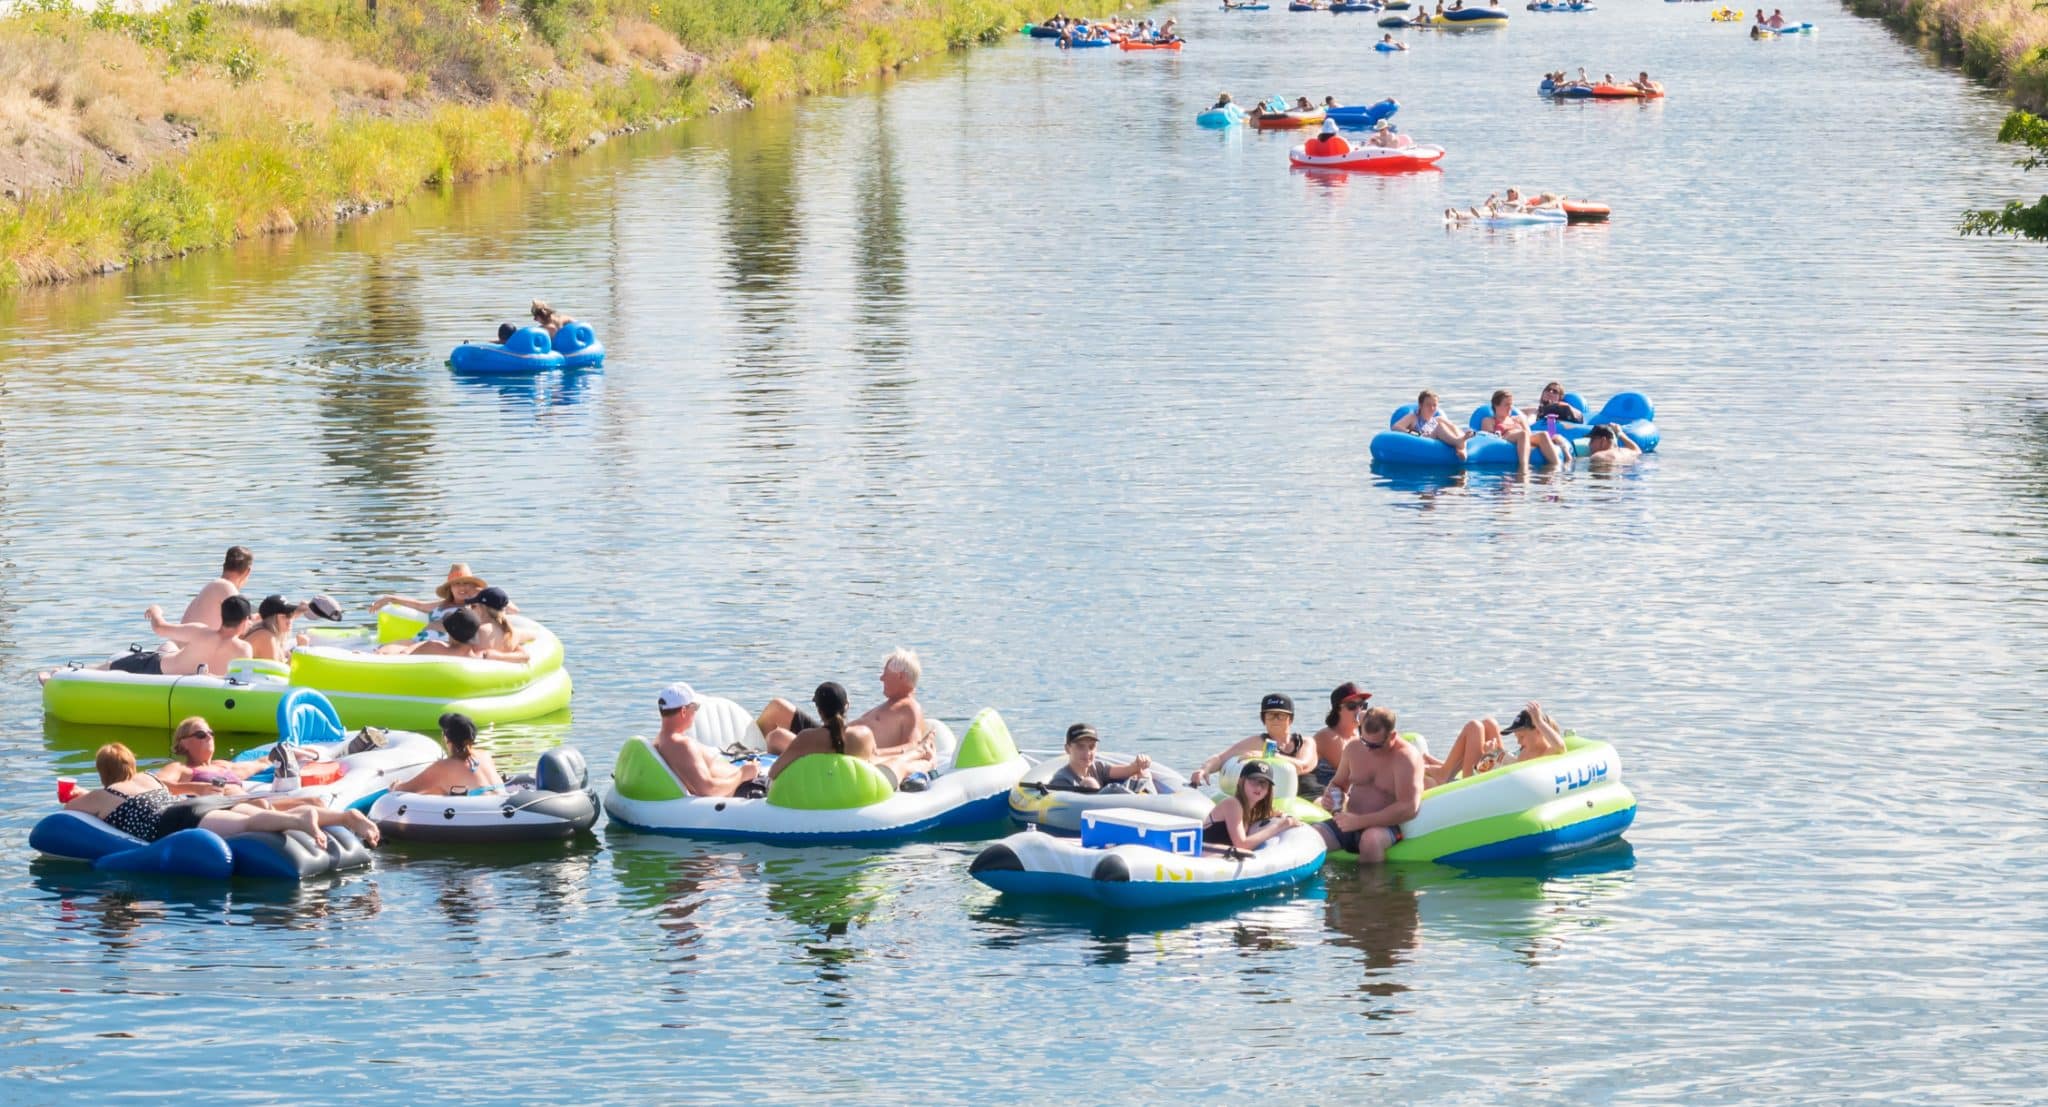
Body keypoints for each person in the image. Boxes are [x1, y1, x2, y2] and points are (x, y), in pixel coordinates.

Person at [65, 742, 377, 848]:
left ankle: (298, 821)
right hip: (191, 804)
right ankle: (345, 817)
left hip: (176, 819)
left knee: (246, 826)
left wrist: (80, 793)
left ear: (102, 772)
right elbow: (179, 790)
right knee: (251, 814)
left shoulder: (104, 794)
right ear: (131, 765)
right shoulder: (147, 778)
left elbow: (69, 809)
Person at [1318, 706, 1424, 863]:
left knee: (1371, 841)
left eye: (1375, 745)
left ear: (1392, 736)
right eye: (1364, 741)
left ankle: (1372, 887)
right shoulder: (1353, 748)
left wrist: (1360, 821)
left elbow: (1409, 807)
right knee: (1312, 836)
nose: (1368, 749)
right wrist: (1331, 798)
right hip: (1349, 822)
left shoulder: (1406, 758)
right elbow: (1338, 784)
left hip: (1385, 827)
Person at [650, 683, 762, 798]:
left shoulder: (659, 742)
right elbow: (708, 789)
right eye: (695, 708)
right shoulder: (683, 745)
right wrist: (743, 774)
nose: (695, 712)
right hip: (747, 789)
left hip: (741, 787)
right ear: (683, 711)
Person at [1187, 693, 1319, 790]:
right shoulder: (1258, 742)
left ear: (1290, 719)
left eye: (1281, 716)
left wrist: (1266, 755)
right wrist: (1204, 769)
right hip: (1275, 797)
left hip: (1310, 794)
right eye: (1270, 715)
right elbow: (1221, 758)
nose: (1275, 720)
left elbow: (1303, 766)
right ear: (1263, 719)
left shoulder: (1305, 742)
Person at [101, 596, 256, 677]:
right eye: (249, 620)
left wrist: (156, 611)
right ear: (244, 621)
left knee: (169, 646)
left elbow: (159, 627)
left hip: (160, 666)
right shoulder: (244, 649)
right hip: (154, 666)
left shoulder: (200, 632)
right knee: (104, 668)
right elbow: (239, 680)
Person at [1429, 701, 1567, 785]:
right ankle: (1446, 769)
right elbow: (1501, 767)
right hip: (1487, 773)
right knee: (1490, 723)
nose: (1518, 741)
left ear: (1539, 731)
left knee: (1474, 727)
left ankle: (1444, 773)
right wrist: (1491, 754)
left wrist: (1539, 722)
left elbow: (1560, 747)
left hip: (1472, 783)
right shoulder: (1525, 751)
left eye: (1522, 736)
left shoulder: (1546, 753)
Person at [767, 682, 878, 782]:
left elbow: (773, 772)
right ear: (847, 706)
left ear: (819, 711)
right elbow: (873, 768)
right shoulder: (865, 734)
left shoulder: (806, 738)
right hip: (855, 796)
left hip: (814, 798)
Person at [1202, 761, 1302, 851]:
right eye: (1253, 781)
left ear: (1269, 790)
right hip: (1203, 859)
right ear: (1241, 781)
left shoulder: (1255, 811)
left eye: (1264, 783)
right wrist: (1279, 826)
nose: (1258, 787)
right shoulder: (1232, 804)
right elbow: (1241, 845)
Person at [386, 608, 529, 663]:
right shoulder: (482, 656)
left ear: (450, 634)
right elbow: (524, 656)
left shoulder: (433, 647)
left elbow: (401, 658)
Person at [1048, 724, 1154, 792]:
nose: (1087, 753)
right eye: (1080, 747)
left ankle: (1155, 805)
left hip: (1116, 809)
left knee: (1143, 772)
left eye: (1091, 747)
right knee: (1089, 783)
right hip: (1086, 816)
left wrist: (1141, 762)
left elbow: (1129, 770)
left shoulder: (1097, 767)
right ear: (1067, 749)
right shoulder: (1062, 779)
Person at [1480, 388, 1567, 469]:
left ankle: (1557, 466)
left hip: (1523, 438)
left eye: (1511, 404)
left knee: (1543, 435)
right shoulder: (1489, 420)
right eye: (1506, 405)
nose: (1510, 407)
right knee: (1522, 434)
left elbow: (1529, 434)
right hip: (1505, 437)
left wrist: (1522, 423)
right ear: (1496, 405)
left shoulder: (1518, 419)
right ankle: (1524, 468)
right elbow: (1489, 439)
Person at [243, 594, 342, 663]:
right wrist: (300, 648)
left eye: (290, 615)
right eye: (285, 616)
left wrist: (308, 608)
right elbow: (279, 674)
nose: (290, 619)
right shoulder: (266, 637)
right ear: (272, 620)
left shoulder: (267, 629)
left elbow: (293, 614)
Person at [1309, 683, 1372, 790]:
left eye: (1362, 705)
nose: (1359, 711)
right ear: (1337, 709)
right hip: (1325, 791)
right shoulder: (1328, 736)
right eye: (1351, 706)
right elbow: (1353, 772)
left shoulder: (1358, 734)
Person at [180, 546, 253, 628]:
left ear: (224, 566)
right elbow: (244, 627)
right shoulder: (227, 589)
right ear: (248, 571)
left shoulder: (212, 587)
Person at [1393, 390, 1473, 458]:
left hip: (1440, 443)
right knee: (1439, 427)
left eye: (1434, 405)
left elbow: (1454, 428)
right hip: (1424, 441)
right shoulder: (1413, 417)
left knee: (1452, 426)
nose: (1432, 408)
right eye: (1428, 405)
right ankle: (1458, 442)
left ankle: (1460, 446)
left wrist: (1462, 449)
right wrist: (1414, 433)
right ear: (1420, 405)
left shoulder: (1438, 419)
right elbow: (1396, 427)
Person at [465, 587, 530, 652]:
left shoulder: (482, 630)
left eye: (473, 606)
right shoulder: (513, 632)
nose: (471, 610)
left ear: (482, 608)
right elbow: (535, 635)